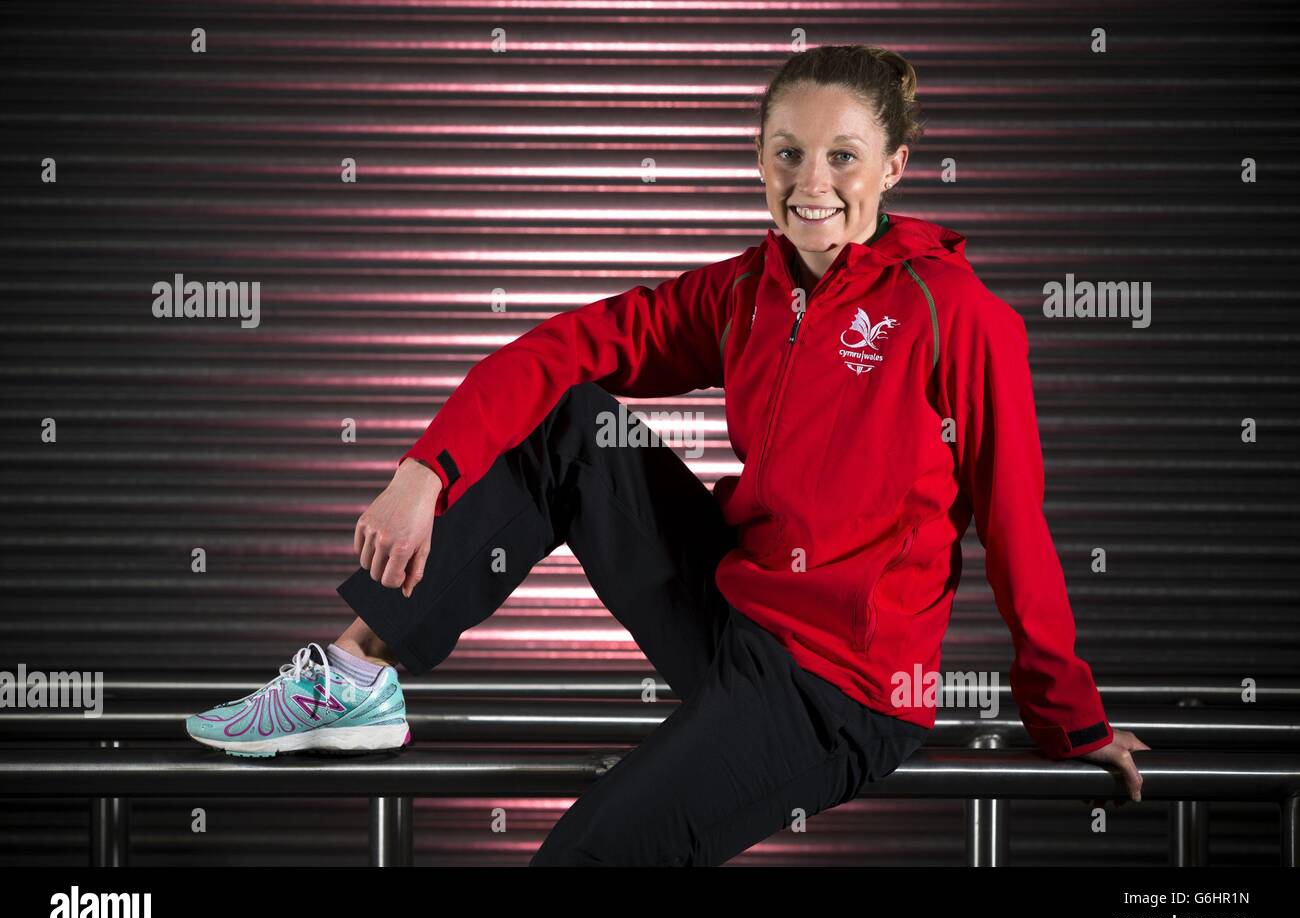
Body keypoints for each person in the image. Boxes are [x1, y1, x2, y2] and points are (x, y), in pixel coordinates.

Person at [187, 44, 1149, 862]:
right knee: (572, 422)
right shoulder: (746, 293)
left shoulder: (961, 319)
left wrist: (1072, 721)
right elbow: (559, 351)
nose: (813, 185)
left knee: (588, 854)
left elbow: (1016, 521)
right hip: (730, 612)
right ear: (759, 160)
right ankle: (355, 679)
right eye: (789, 154)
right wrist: (424, 470)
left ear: (895, 166)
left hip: (840, 689)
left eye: (843, 158)